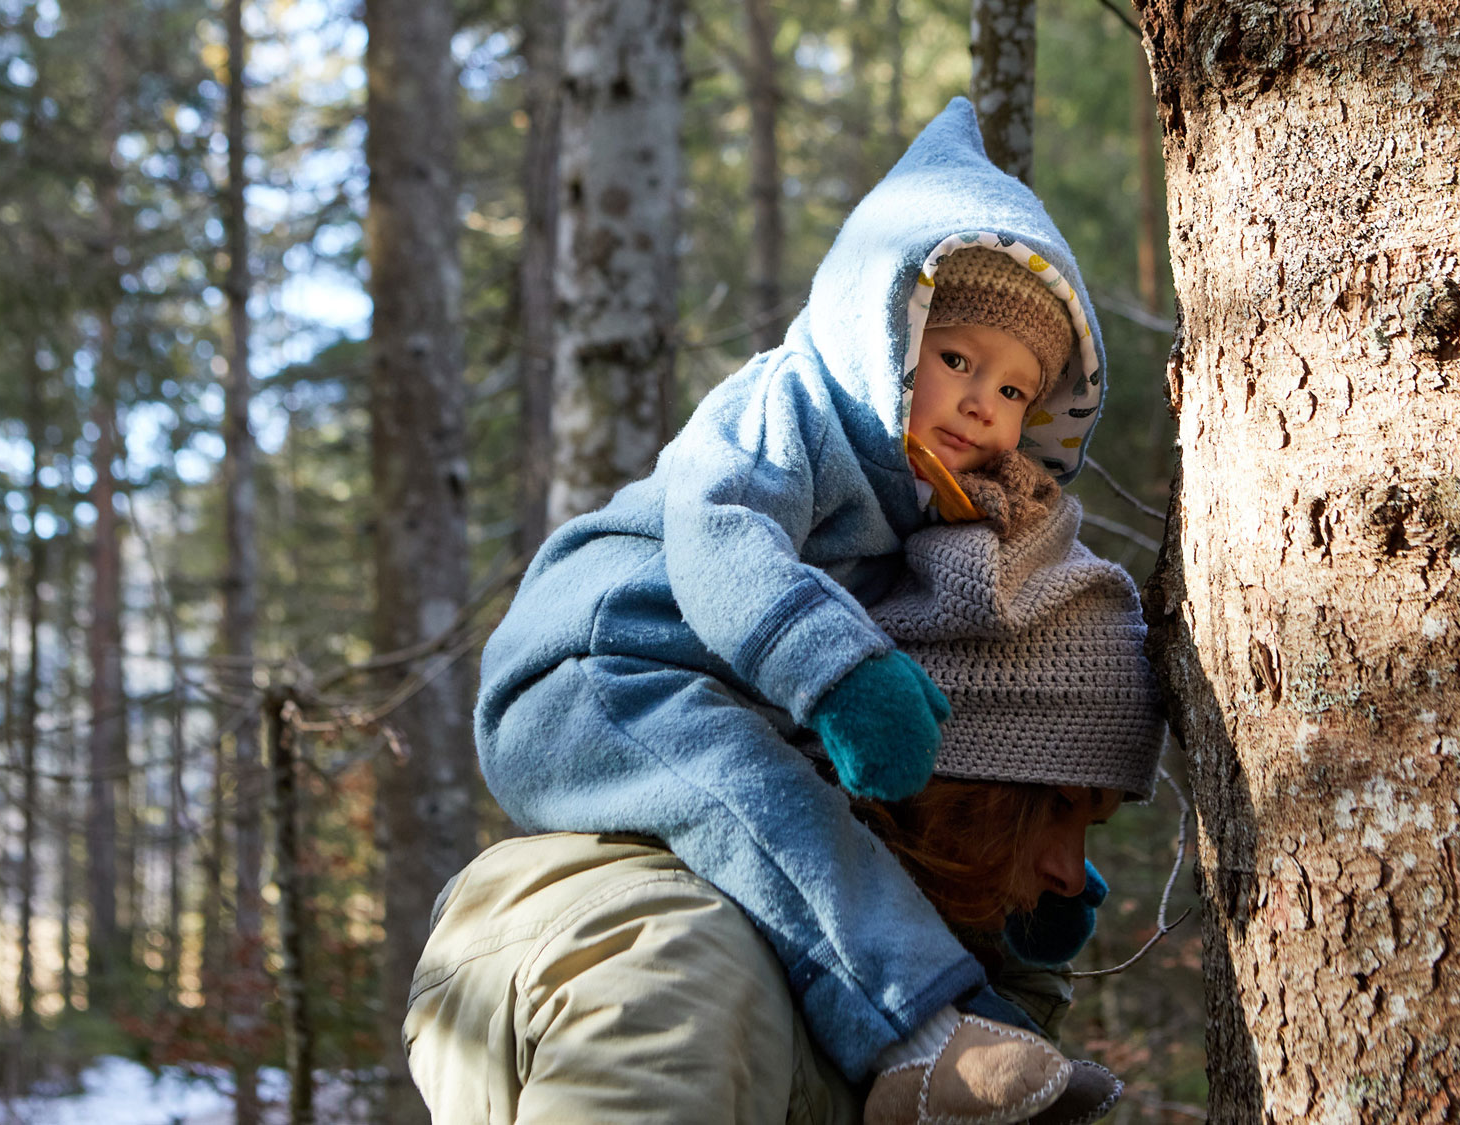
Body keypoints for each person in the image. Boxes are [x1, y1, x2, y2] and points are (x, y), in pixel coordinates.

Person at [473, 97, 1112, 1120]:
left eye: (1014, 390)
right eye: (956, 360)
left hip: (695, 682)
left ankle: (968, 1007)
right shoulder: (790, 405)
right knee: (765, 807)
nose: (982, 402)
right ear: (886, 328)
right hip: (597, 668)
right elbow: (718, 528)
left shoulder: (925, 495)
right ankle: (919, 1031)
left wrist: (1031, 858)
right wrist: (841, 674)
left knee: (788, 796)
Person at [410, 476, 1165, 1124]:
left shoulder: (916, 972)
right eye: (1055, 805)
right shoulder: (673, 959)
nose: (1071, 874)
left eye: (1092, 825)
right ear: (936, 775)